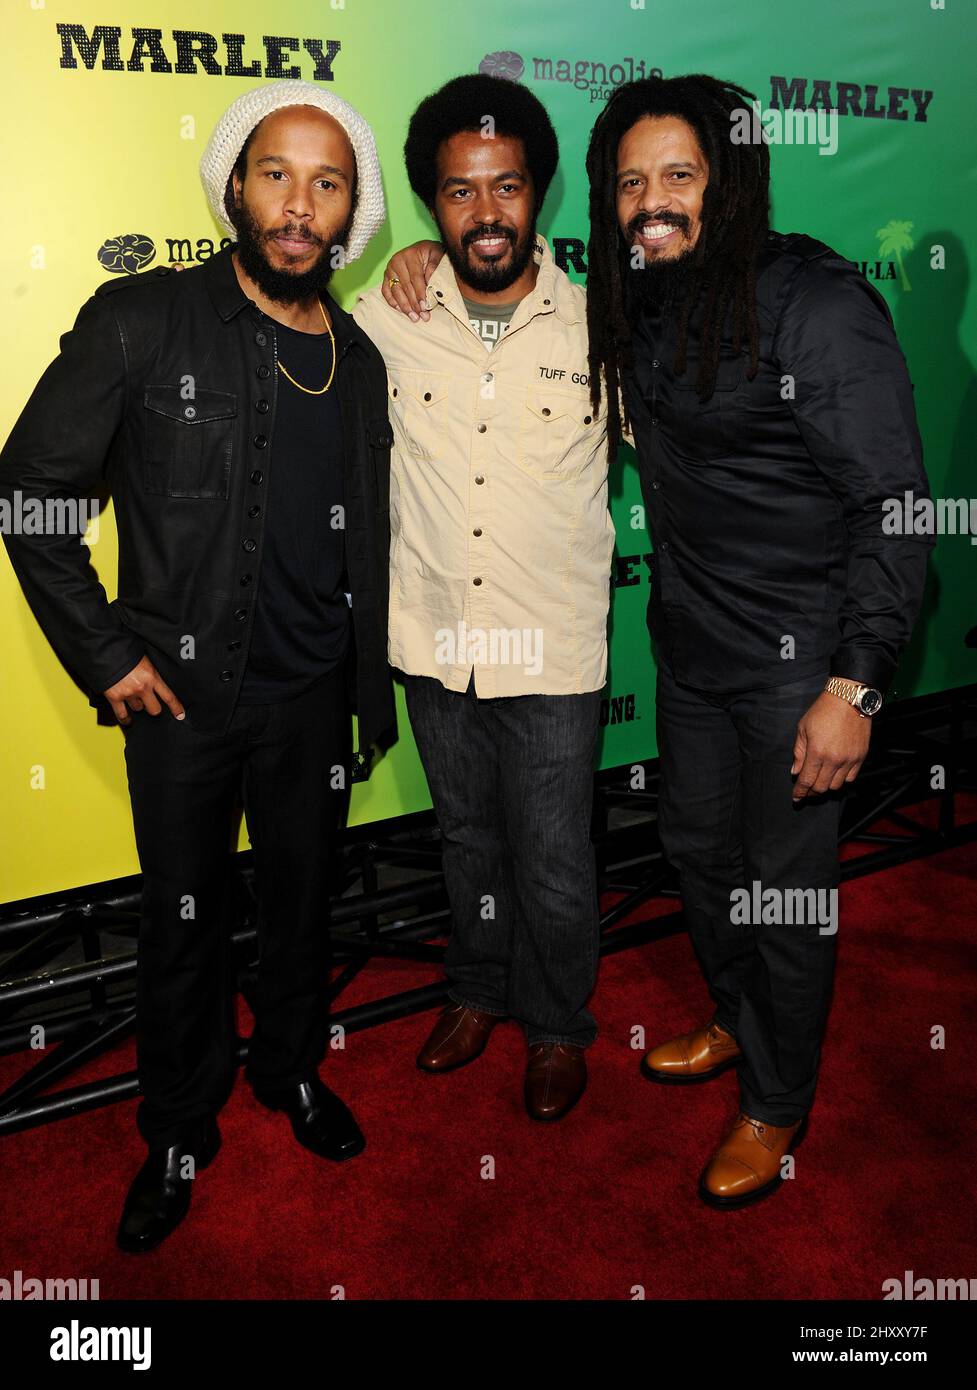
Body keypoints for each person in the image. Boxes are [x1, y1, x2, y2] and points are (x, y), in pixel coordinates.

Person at [0, 80, 395, 1251]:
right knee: (182, 924)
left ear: (351, 212)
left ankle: (291, 1070)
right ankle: (177, 1126)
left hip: (314, 697)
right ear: (233, 185)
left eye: (327, 183)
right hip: (181, 700)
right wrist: (106, 652)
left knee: (302, 906)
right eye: (276, 174)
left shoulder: (359, 359)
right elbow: (30, 494)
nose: (299, 203)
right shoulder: (143, 320)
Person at [583, 73, 934, 1206]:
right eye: (628, 181)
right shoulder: (637, 297)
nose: (650, 200)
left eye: (677, 174)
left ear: (728, 181)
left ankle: (777, 1099)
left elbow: (895, 505)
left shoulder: (813, 304)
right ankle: (737, 1020)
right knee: (696, 854)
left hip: (800, 668)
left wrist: (856, 686)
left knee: (784, 895)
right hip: (689, 651)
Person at [352, 73, 616, 1121]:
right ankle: (475, 989)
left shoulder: (601, 328)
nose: (485, 211)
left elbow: (695, 456)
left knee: (551, 854)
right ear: (432, 205)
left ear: (538, 191)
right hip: (435, 639)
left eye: (505, 186)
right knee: (465, 836)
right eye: (459, 192)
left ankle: (556, 1026)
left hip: (549, 651)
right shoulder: (386, 315)